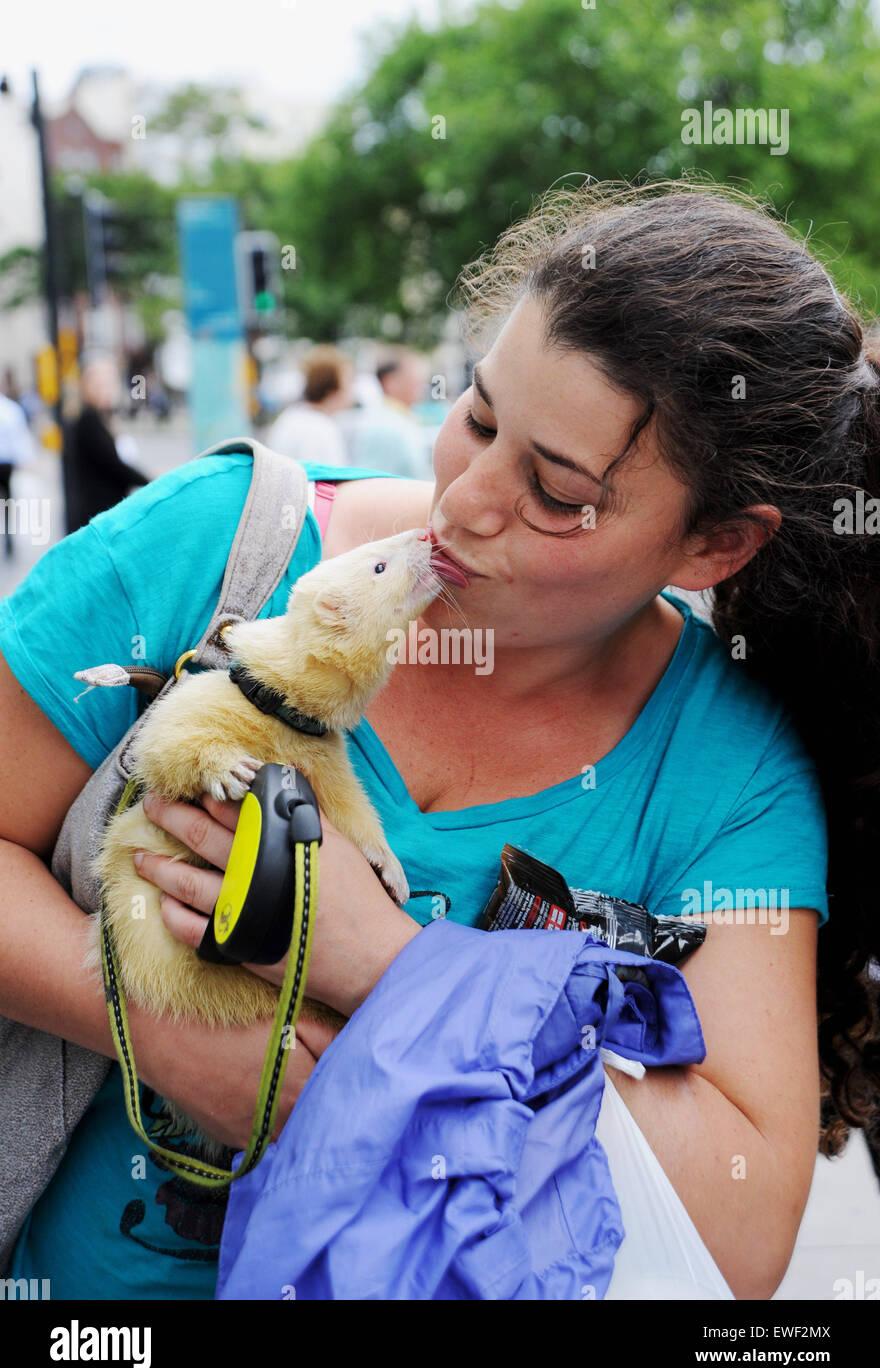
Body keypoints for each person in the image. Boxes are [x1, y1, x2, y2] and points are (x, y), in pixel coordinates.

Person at [0, 177, 876, 1301]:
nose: (461, 504)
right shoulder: (219, 550)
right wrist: (153, 1024)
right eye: (476, 415)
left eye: (556, 493)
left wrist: (388, 966)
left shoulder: (730, 770)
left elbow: (736, 1237)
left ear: (712, 545)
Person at [62, 356, 150, 535]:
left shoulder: (96, 417)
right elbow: (113, 464)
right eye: (102, 384)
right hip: (96, 515)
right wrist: (151, 480)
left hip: (99, 513)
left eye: (110, 383)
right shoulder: (89, 419)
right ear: (88, 386)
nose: (108, 389)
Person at [344, 348, 433, 480]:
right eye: (414, 378)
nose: (421, 385)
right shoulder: (384, 426)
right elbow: (371, 483)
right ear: (390, 382)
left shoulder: (396, 420)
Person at [265, 345, 354, 468]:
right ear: (332, 387)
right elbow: (328, 481)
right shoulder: (319, 428)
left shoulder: (293, 417)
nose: (352, 389)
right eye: (349, 381)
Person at [0, 386, 34, 559]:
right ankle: (8, 537)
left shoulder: (10, 409)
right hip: (6, 464)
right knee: (6, 501)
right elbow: (18, 436)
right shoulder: (10, 409)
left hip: (5, 462)